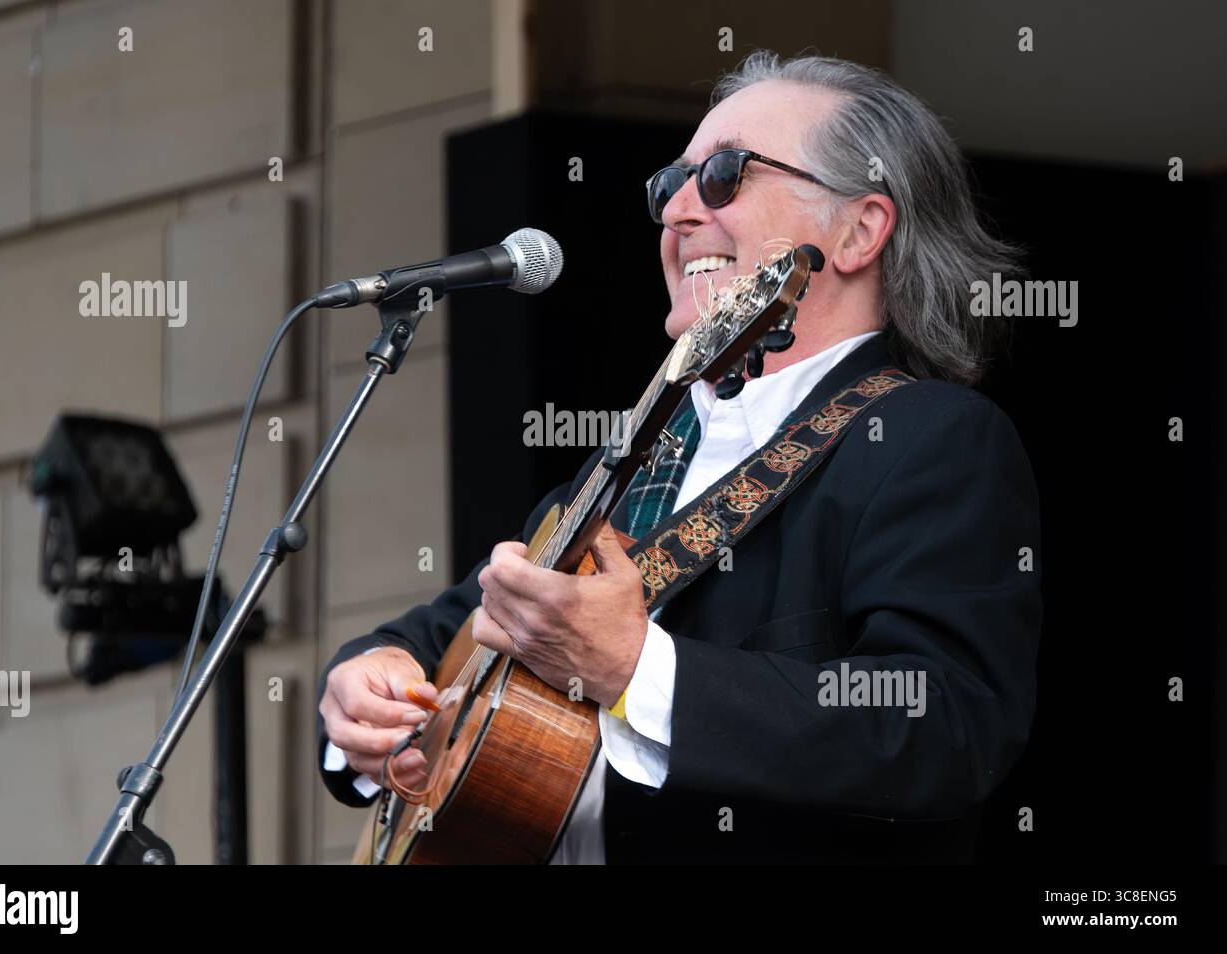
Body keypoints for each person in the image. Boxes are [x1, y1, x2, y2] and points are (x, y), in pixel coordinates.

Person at [317, 51, 1041, 864]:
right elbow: (460, 623)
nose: (679, 211)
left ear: (859, 230)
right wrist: (365, 686)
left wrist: (638, 671)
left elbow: (942, 726)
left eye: (726, 175)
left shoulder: (932, 440)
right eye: (671, 185)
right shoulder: (632, 457)